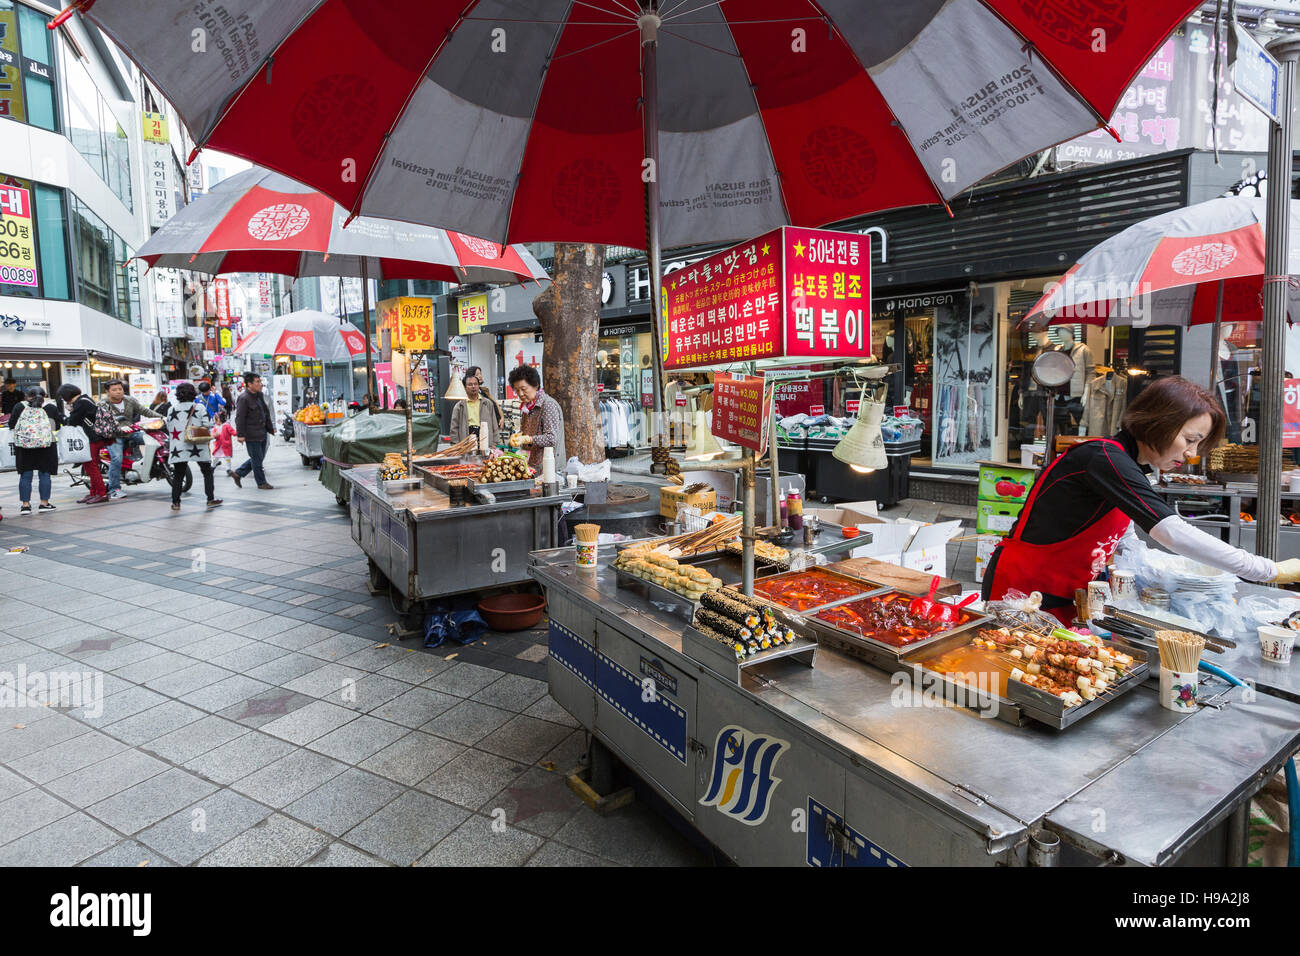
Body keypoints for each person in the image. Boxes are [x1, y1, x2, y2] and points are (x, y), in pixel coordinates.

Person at [983, 375, 1300, 623]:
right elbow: (1171, 532)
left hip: (1066, 591)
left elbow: (1126, 541)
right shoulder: (1103, 457)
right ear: (1158, 422)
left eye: (1198, 445)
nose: (1191, 455)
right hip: (1022, 589)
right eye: (1190, 441)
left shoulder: (1127, 465)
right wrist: (1264, 569)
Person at [166, 382, 222, 512]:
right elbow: (206, 425)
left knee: (179, 474)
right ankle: (210, 499)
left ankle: (176, 502)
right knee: (207, 472)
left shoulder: (171, 409)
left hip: (178, 446)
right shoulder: (200, 407)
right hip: (197, 443)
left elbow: (169, 427)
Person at [9, 386, 61, 515]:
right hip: (46, 446)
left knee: (25, 475)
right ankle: (44, 503)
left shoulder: (19, 407)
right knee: (44, 474)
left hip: (24, 447)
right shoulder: (51, 407)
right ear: (44, 396)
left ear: (27, 396)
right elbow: (57, 426)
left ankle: (25, 506)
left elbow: (11, 424)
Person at [57, 383, 108, 504]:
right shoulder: (85, 399)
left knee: (91, 466)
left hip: (93, 438)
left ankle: (101, 493)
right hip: (93, 437)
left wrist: (64, 416)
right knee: (88, 465)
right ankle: (93, 493)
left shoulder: (81, 403)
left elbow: (72, 421)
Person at [507, 365, 564, 472]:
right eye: (517, 390)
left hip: (548, 468)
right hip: (531, 465)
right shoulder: (527, 407)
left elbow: (551, 438)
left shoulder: (548, 405)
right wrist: (519, 435)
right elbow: (527, 432)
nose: (520, 394)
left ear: (536, 385)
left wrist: (528, 439)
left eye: (523, 389)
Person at [101, 380, 149, 499]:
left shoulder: (129, 400)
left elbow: (144, 411)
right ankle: (114, 489)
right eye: (114, 390)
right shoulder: (102, 404)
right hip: (113, 435)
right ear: (108, 392)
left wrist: (162, 417)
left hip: (130, 432)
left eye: (120, 389)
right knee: (117, 458)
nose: (118, 392)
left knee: (151, 438)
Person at [232, 372, 275, 489]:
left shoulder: (259, 396)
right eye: (257, 382)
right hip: (252, 434)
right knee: (257, 459)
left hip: (262, 432)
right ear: (249, 384)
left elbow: (265, 412)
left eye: (260, 382)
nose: (260, 384)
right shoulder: (243, 398)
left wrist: (271, 427)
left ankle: (238, 473)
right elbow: (240, 418)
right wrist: (240, 435)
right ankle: (261, 482)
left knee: (258, 458)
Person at [448, 372, 500, 453]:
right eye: (470, 384)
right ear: (464, 387)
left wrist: (495, 442)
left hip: (484, 435)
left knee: (485, 460)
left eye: (475, 384)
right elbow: (454, 427)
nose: (473, 387)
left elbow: (494, 424)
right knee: (468, 462)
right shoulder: (459, 406)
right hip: (467, 436)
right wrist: (456, 445)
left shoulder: (487, 403)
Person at [465, 366, 505, 430]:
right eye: (477, 374)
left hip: (496, 423)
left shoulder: (485, 390)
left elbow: (495, 403)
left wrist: (502, 417)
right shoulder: (471, 395)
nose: (480, 376)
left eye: (480, 373)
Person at [210, 411, 237, 476]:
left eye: (216, 419)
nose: (215, 421)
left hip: (226, 446)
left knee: (227, 458)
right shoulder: (215, 427)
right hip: (218, 446)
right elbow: (212, 435)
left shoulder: (227, 426)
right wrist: (214, 435)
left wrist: (239, 433)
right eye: (215, 420)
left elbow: (233, 432)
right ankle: (212, 467)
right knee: (215, 457)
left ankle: (228, 469)